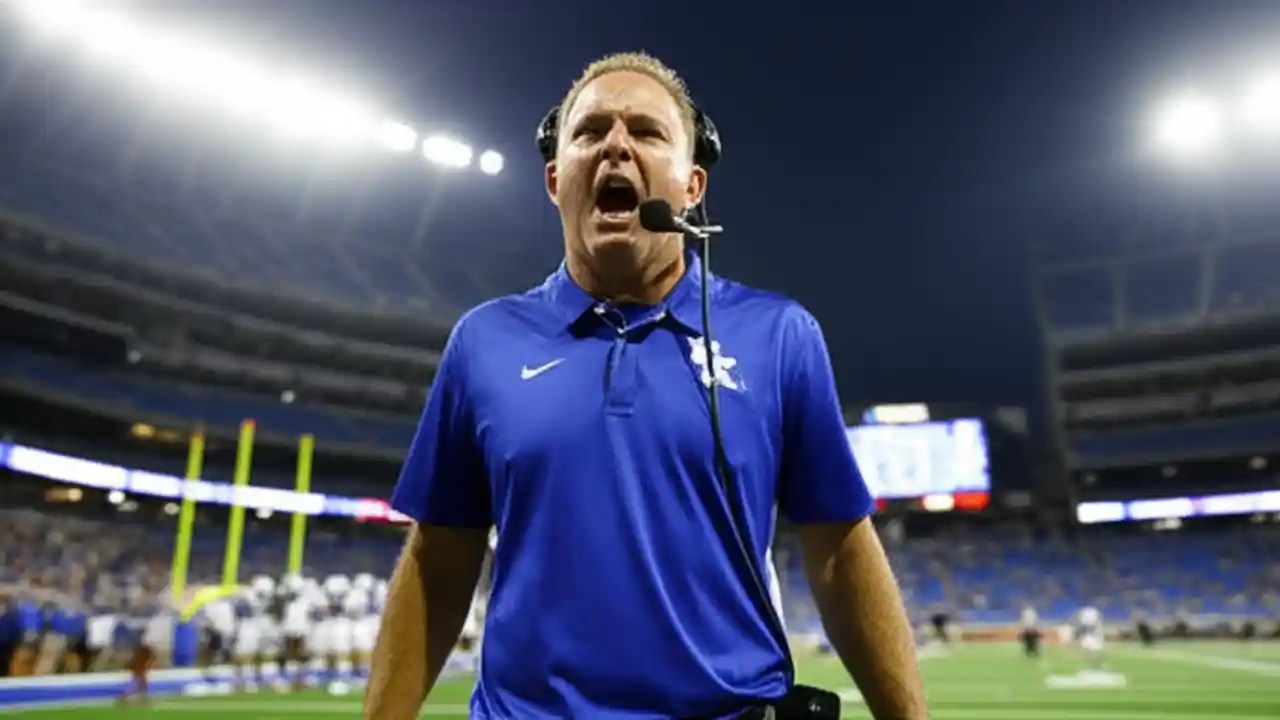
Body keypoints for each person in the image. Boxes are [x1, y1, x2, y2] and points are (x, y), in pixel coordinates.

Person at [367, 51, 927, 720]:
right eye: (591, 130)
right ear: (554, 179)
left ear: (693, 187)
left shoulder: (779, 335)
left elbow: (839, 551)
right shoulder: (483, 342)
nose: (615, 146)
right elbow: (438, 559)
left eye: (647, 131)